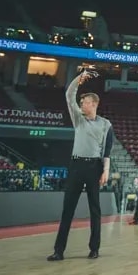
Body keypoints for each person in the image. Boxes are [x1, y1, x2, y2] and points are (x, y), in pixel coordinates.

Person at [48, 69, 113, 261]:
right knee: (68, 209)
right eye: (81, 102)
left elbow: (107, 150)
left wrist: (106, 171)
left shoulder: (106, 124)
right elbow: (69, 96)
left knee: (95, 209)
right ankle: (59, 250)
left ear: (93, 104)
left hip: (94, 167)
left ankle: (94, 248)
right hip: (76, 166)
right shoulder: (78, 119)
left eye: (84, 102)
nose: (81, 104)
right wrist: (79, 78)